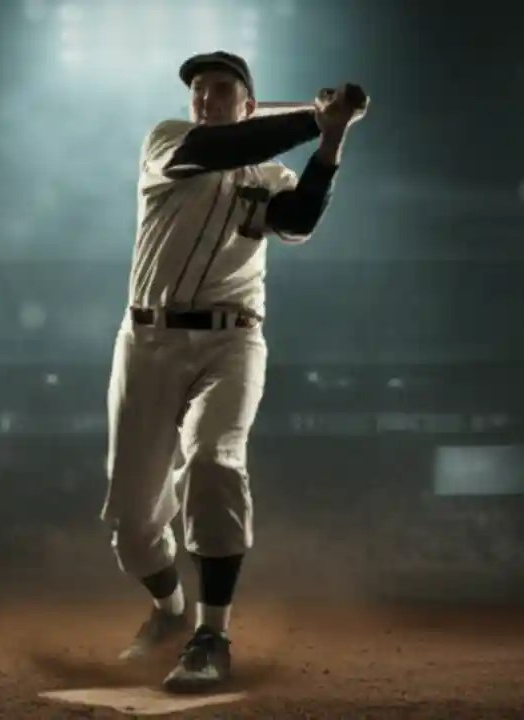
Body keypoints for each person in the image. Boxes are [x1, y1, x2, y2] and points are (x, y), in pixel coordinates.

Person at [99, 50, 368, 694]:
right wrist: (317, 118)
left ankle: (211, 633)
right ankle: (168, 613)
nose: (203, 97)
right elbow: (218, 149)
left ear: (247, 101)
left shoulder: (270, 174)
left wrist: (330, 139)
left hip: (233, 341)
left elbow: (297, 219)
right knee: (133, 527)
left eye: (221, 88)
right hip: (147, 340)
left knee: (216, 461)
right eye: (198, 88)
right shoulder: (168, 141)